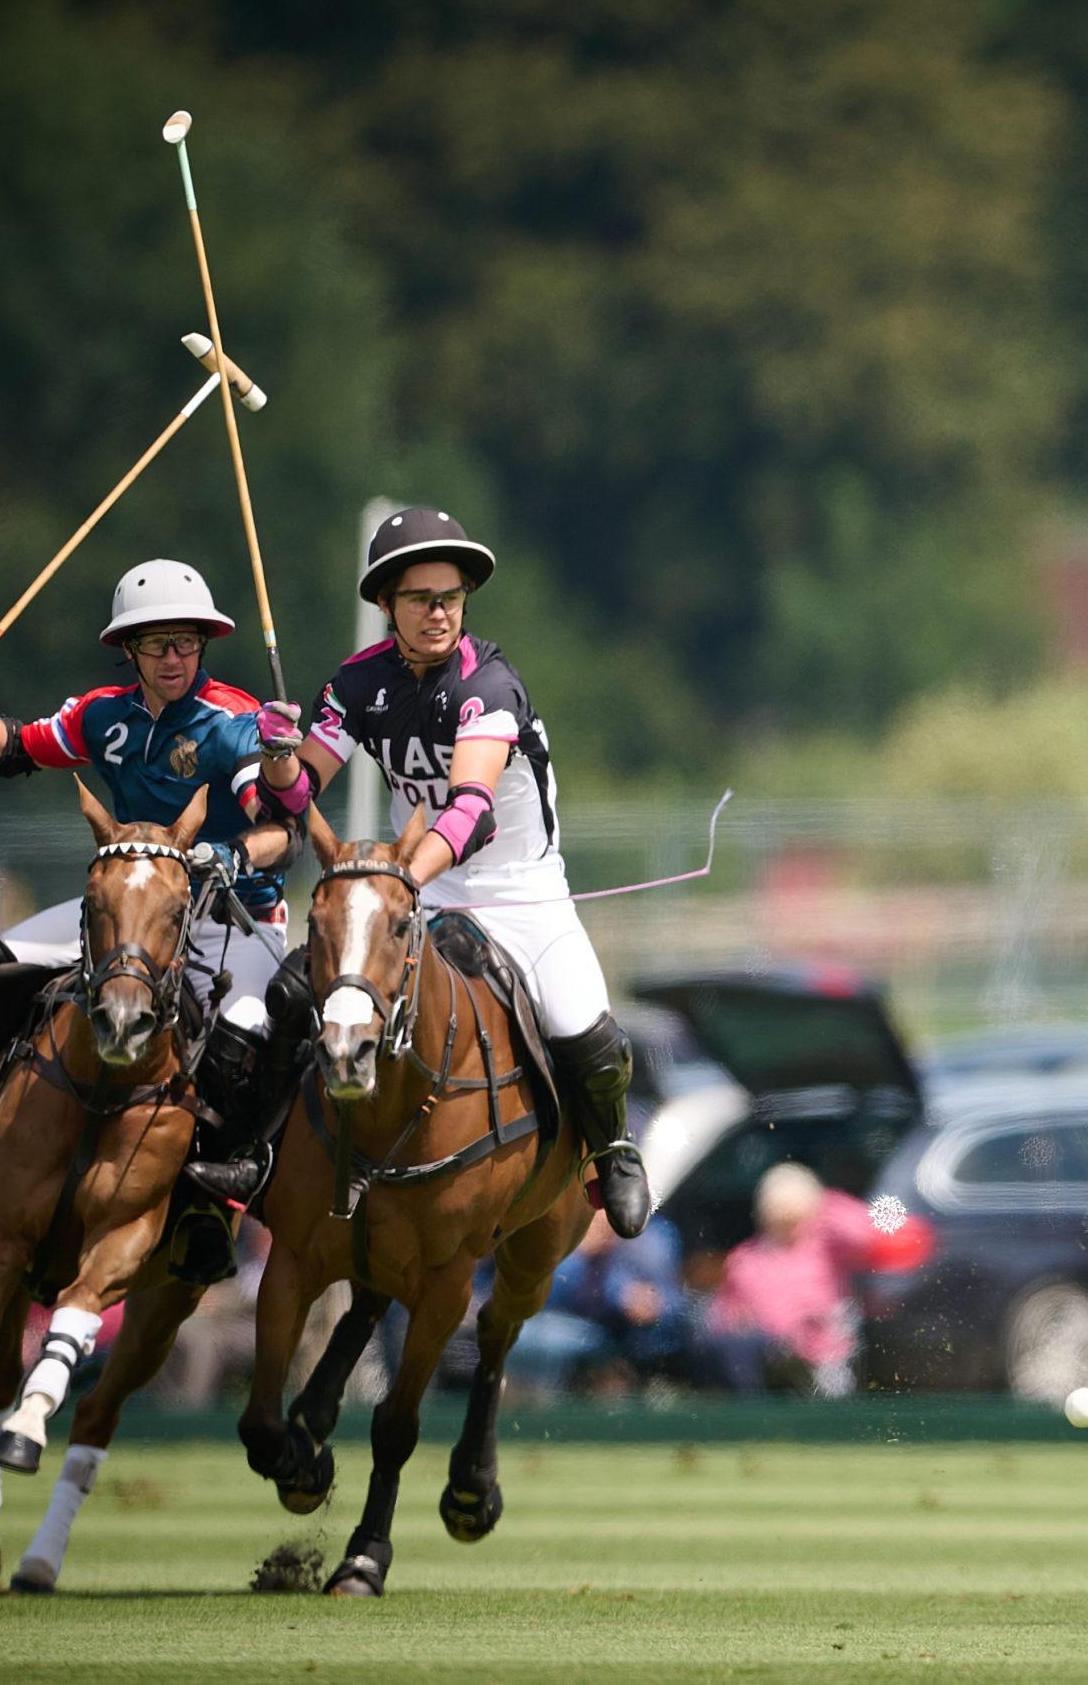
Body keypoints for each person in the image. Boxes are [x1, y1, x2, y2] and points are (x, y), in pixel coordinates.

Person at [0, 561, 307, 1283]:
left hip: (230, 916)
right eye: (158, 646)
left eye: (187, 642)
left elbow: (285, 825)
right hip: (128, 912)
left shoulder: (233, 721)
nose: (175, 658)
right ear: (129, 651)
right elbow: (15, 749)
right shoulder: (103, 714)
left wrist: (229, 851)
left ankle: (209, 1205)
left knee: (243, 1037)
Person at [227, 508, 649, 1238]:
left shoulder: (488, 681)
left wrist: (400, 882)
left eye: (450, 596)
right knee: (297, 994)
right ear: (387, 605)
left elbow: (471, 809)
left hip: (521, 895)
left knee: (585, 1031)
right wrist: (279, 755)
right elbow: (297, 797)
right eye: (420, 597)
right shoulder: (359, 683)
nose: (438, 611)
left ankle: (611, 1149)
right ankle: (254, 1152)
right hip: (426, 889)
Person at [700, 1163, 876, 1397]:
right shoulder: (746, 1259)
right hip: (769, 1356)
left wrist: (825, 1203)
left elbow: (865, 1233)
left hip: (826, 1349)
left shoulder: (825, 1244)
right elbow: (723, 1316)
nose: (788, 1226)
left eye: (796, 1218)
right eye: (780, 1217)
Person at [510, 1210, 688, 1397]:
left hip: (631, 1344)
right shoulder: (559, 1229)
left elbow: (674, 1300)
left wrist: (648, 1303)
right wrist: (580, 1254)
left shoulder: (652, 1236)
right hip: (574, 1336)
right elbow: (538, 1298)